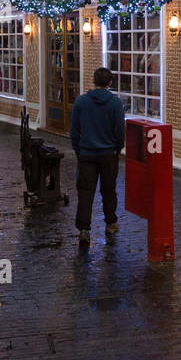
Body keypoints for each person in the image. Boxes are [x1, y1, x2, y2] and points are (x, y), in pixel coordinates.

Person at [69, 67, 126, 247]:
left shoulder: (81, 102)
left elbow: (74, 130)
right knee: (109, 190)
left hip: (86, 153)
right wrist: (118, 148)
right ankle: (110, 223)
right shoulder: (115, 103)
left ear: (94, 81)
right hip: (108, 153)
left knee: (85, 192)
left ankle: (84, 228)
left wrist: (78, 149)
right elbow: (120, 129)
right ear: (110, 83)